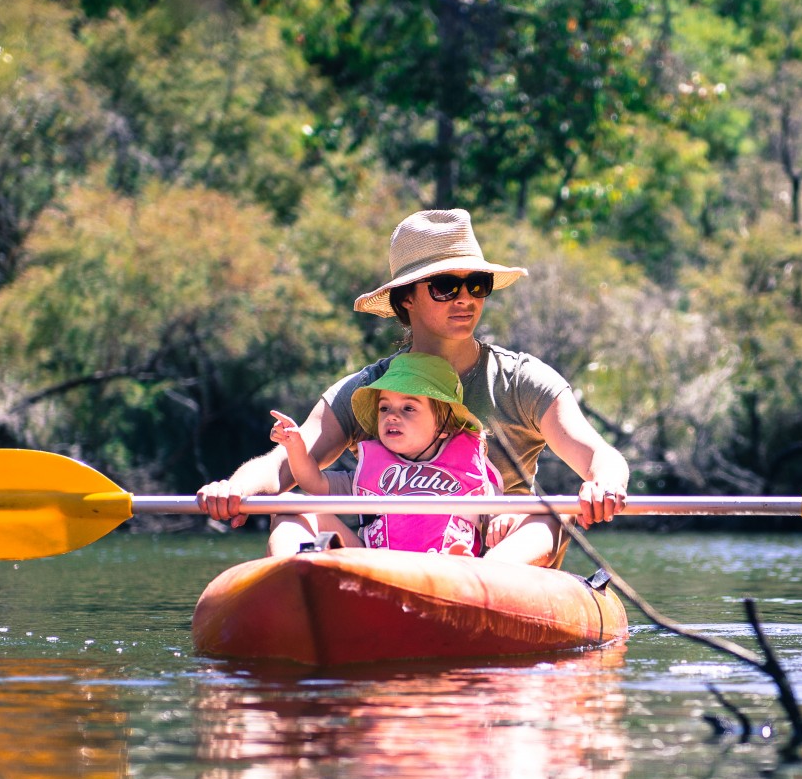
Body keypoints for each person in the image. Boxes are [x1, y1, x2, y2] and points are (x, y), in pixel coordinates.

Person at [198, 208, 628, 562]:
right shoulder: (371, 389)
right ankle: (308, 589)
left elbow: (600, 458)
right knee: (293, 510)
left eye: (477, 285)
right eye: (445, 286)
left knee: (549, 514)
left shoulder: (522, 380)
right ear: (406, 297)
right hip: (385, 563)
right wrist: (234, 488)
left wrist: (605, 483)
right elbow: (282, 466)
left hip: (501, 562)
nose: (465, 299)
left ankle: (473, 583)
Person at [266, 353, 502, 555]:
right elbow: (313, 483)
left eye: (408, 408)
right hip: (375, 565)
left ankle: (459, 565)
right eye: (384, 407)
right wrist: (295, 447)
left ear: (445, 425)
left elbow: (500, 509)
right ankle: (291, 575)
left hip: (445, 564)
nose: (391, 416)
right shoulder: (368, 472)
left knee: (529, 520)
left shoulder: (473, 468)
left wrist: (503, 518)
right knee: (291, 507)